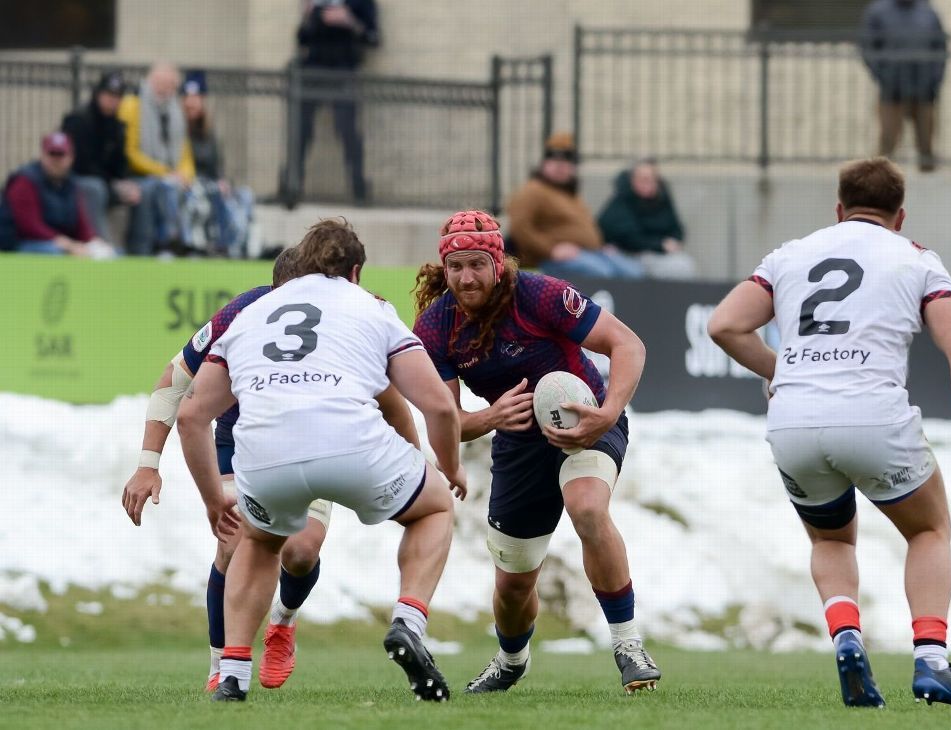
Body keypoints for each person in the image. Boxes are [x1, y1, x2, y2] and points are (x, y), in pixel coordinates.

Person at [707, 158, 951, 710]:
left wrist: (782, 371)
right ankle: (932, 661)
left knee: (832, 538)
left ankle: (845, 635)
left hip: (792, 420)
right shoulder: (916, 259)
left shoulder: (789, 255)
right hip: (872, 415)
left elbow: (723, 324)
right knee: (929, 529)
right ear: (900, 216)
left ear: (839, 210)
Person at [178, 219, 467, 703]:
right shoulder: (371, 307)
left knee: (260, 540)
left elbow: (190, 416)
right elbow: (437, 404)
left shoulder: (251, 313)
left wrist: (214, 501)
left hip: (266, 455)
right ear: (355, 270)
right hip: (352, 442)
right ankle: (408, 622)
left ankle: (232, 672)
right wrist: (450, 468)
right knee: (435, 508)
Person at [120, 246, 423, 691]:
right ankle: (220, 668)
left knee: (301, 553)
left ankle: (283, 621)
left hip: (317, 435)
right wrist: (148, 464)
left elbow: (391, 397)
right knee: (233, 541)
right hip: (241, 440)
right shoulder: (243, 312)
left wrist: (410, 462)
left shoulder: (353, 313)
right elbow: (175, 384)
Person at [411, 210, 661, 694]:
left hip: (585, 422)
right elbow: (446, 421)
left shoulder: (540, 294)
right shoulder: (435, 327)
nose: (467, 277)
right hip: (516, 444)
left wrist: (607, 413)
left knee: (587, 508)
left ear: (499, 263)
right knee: (513, 583)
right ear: (445, 269)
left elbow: (627, 344)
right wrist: (492, 419)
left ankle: (628, 644)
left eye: (478, 264)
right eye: (457, 266)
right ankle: (511, 660)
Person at [506, 132, 644, 279]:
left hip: (593, 252)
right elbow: (520, 229)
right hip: (551, 259)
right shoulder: (532, 190)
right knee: (601, 273)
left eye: (565, 163)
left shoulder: (569, 194)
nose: (561, 167)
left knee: (635, 272)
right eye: (555, 162)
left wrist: (600, 245)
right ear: (544, 164)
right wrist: (551, 250)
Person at [291, 0, 379, 205]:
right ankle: (292, 187)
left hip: (344, 71)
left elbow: (373, 37)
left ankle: (359, 190)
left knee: (348, 131)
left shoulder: (361, 3)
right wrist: (307, 15)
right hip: (314, 71)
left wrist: (349, 21)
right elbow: (301, 39)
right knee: (300, 130)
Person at [858, 0, 947, 172]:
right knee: (887, 144)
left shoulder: (928, 11)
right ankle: (878, 190)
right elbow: (868, 47)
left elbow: (940, 48)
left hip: (924, 92)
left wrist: (934, 80)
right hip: (892, 92)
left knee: (926, 145)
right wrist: (884, 76)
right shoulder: (878, 11)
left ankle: (929, 187)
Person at [118, 62, 195, 255]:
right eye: (162, 83)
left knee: (192, 191)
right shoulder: (133, 105)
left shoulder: (175, 111)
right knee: (156, 189)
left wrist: (186, 175)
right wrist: (166, 173)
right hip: (138, 174)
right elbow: (131, 152)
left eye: (171, 85)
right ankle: (154, 245)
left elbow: (184, 153)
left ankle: (188, 245)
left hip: (169, 175)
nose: (166, 89)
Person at [181, 70, 257, 257]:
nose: (191, 103)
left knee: (244, 195)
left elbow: (217, 166)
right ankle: (214, 246)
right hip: (191, 183)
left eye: (196, 97)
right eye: (188, 98)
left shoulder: (208, 132)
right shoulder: (179, 129)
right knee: (209, 194)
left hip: (211, 182)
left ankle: (240, 247)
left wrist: (223, 181)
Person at [0, 131, 113, 257]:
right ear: (43, 155)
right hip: (19, 245)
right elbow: (29, 226)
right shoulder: (24, 181)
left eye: (61, 154)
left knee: (109, 254)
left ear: (71, 157)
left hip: (60, 242)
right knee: (55, 252)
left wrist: (94, 243)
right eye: (52, 154)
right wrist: (67, 244)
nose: (56, 160)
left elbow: (81, 225)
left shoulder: (72, 184)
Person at [60, 71, 142, 242]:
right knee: (95, 188)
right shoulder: (79, 120)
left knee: (138, 191)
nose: (112, 100)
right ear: (98, 94)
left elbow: (119, 165)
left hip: (105, 181)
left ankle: (140, 248)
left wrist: (124, 183)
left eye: (117, 96)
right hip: (76, 179)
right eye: (108, 94)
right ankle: (98, 241)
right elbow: (81, 165)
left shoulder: (117, 125)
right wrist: (111, 184)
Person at [596, 159, 697, 280]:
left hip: (659, 254)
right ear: (632, 180)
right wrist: (660, 245)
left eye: (652, 179)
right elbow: (629, 238)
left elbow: (677, 228)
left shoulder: (662, 199)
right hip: (630, 255)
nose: (648, 184)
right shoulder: (622, 201)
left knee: (686, 265)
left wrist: (674, 241)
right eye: (643, 179)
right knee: (680, 268)